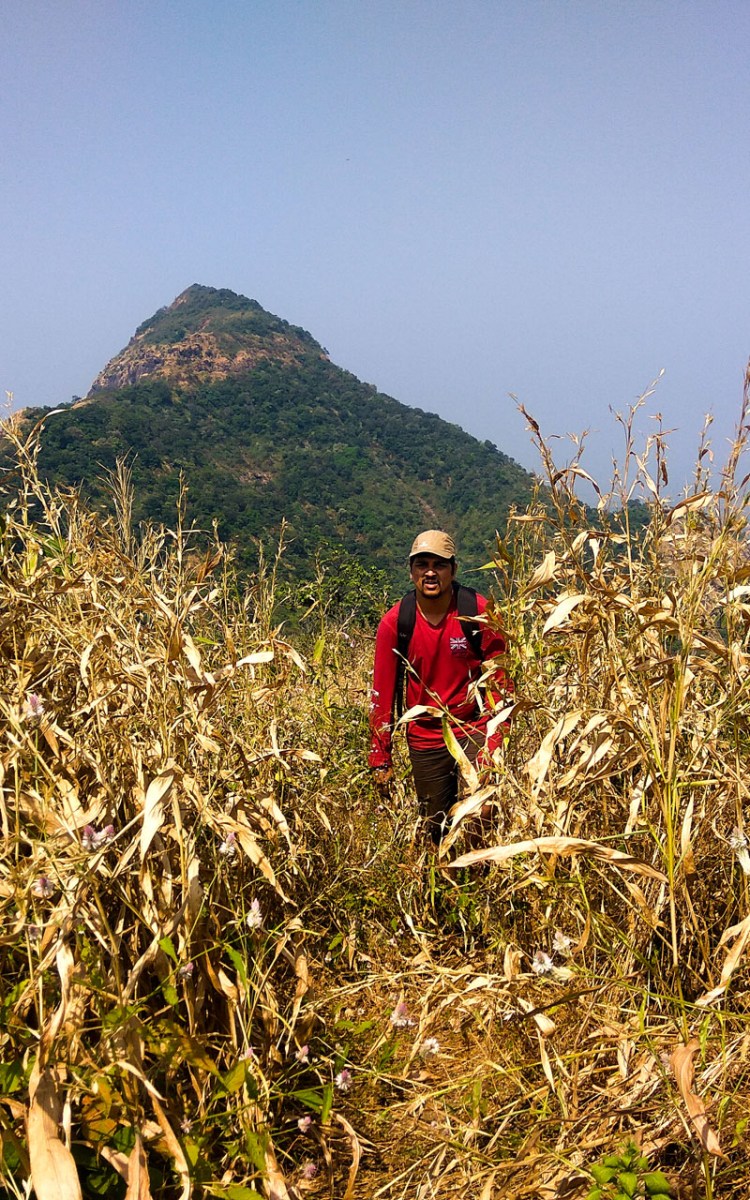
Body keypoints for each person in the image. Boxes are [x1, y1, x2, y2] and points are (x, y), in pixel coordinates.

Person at [369, 530, 512, 845]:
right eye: (422, 564)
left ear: (453, 570)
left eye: (439, 564)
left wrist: (497, 739)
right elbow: (381, 694)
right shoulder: (396, 623)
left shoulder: (478, 611)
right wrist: (380, 756)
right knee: (436, 826)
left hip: (474, 725)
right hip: (426, 733)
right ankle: (445, 886)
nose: (430, 572)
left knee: (483, 811)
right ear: (411, 571)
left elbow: (501, 680)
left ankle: (480, 878)